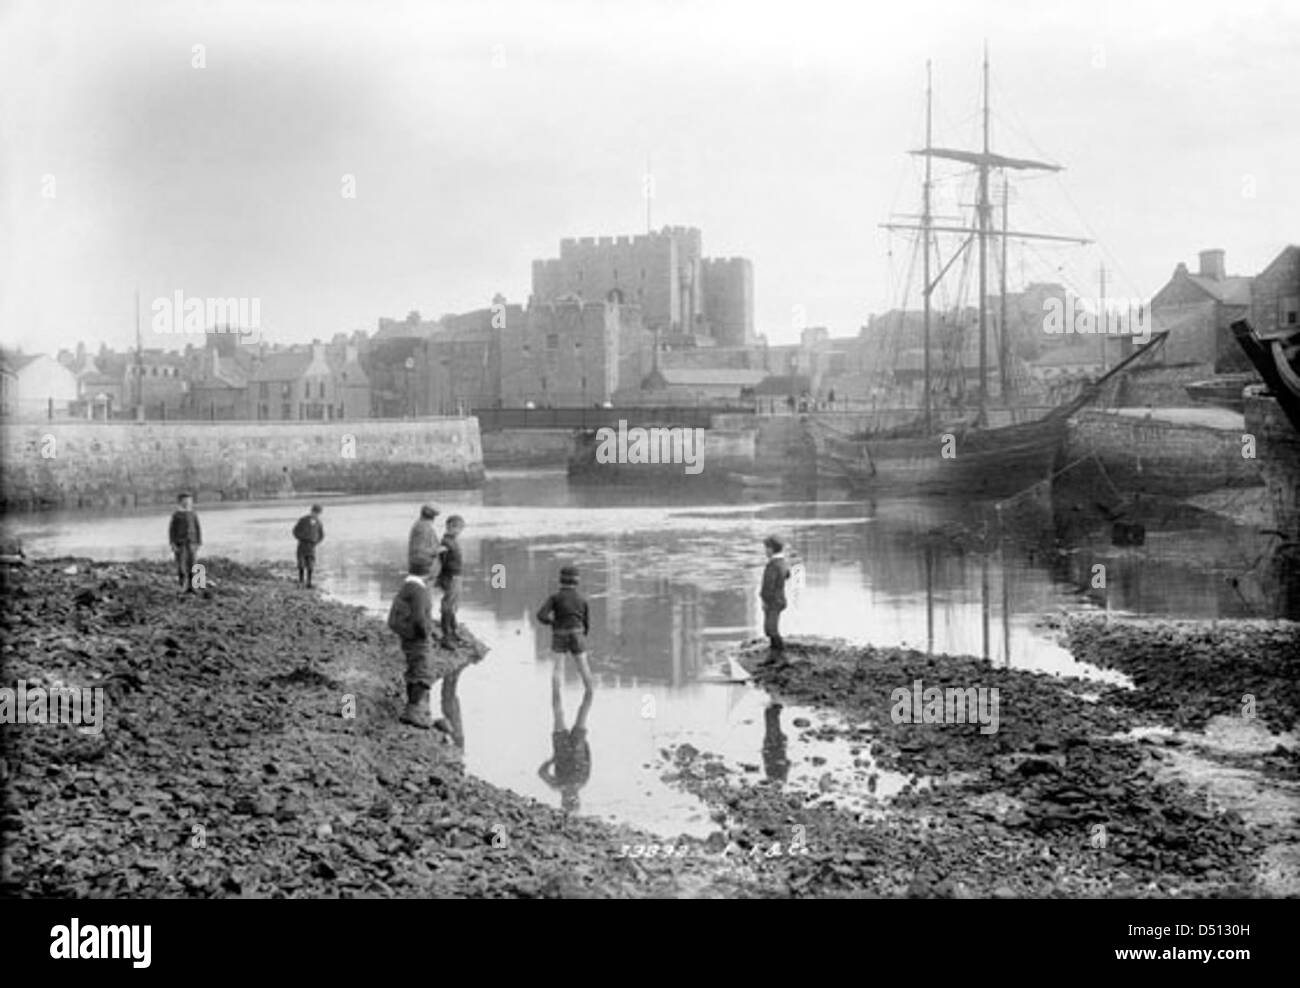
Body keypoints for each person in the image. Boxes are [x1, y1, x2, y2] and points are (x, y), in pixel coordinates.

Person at [391, 559, 438, 729]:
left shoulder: (408, 586)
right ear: (427, 572)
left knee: (414, 671)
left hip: (408, 636)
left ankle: (412, 709)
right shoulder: (419, 591)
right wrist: (425, 634)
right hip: (417, 638)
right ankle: (412, 711)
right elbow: (419, 618)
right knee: (424, 671)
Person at [538, 671, 593, 814]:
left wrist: (553, 759)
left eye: (569, 800)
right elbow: (588, 761)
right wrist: (585, 744)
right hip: (577, 745)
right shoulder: (581, 782)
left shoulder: (558, 785)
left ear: (563, 799)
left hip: (562, 747)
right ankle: (588, 686)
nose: (572, 796)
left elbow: (542, 772)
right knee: (582, 710)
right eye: (574, 799)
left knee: (558, 711)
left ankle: (555, 684)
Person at [536, 564, 593, 689]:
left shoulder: (555, 598)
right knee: (584, 666)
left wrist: (552, 622)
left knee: (558, 669)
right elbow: (587, 623)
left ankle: (556, 699)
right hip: (577, 633)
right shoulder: (582, 599)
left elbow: (541, 615)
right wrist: (583, 634)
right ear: (577, 581)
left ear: (560, 580)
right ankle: (589, 692)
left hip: (559, 633)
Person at [435, 515, 465, 646]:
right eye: (457, 528)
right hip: (450, 577)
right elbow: (436, 554)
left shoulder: (453, 540)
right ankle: (446, 636)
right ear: (450, 526)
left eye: (460, 528)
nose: (459, 531)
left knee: (453, 604)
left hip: (456, 576)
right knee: (448, 605)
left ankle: (453, 631)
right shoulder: (446, 541)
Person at [760, 535, 792, 653]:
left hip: (772, 601)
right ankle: (774, 650)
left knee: (771, 629)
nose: (765, 551)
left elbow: (768, 586)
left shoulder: (773, 565)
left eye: (766, 548)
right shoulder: (782, 562)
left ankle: (778, 652)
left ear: (771, 549)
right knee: (770, 629)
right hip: (779, 599)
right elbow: (788, 575)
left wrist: (765, 601)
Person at [168, 492, 203, 594]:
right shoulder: (176, 515)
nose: (188, 503)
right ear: (180, 502)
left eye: (190, 501)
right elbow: (171, 531)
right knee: (182, 565)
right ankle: (183, 586)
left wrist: (199, 542)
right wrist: (173, 543)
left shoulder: (193, 514)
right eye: (186, 501)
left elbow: (197, 528)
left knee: (194, 564)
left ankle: (196, 586)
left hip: (192, 543)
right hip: (181, 543)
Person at [292, 504, 325, 588]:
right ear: (312, 511)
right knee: (301, 562)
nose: (316, 515)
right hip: (303, 543)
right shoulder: (303, 520)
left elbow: (321, 535)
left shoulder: (319, 522)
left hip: (311, 545)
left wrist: (316, 542)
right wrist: (300, 538)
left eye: (318, 513)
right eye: (315, 512)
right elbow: (295, 531)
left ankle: (309, 582)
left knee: (310, 563)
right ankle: (301, 581)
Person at [407, 504, 441, 574]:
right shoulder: (423, 527)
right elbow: (420, 550)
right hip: (422, 566)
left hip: (419, 564)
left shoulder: (420, 524)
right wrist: (437, 550)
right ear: (433, 517)